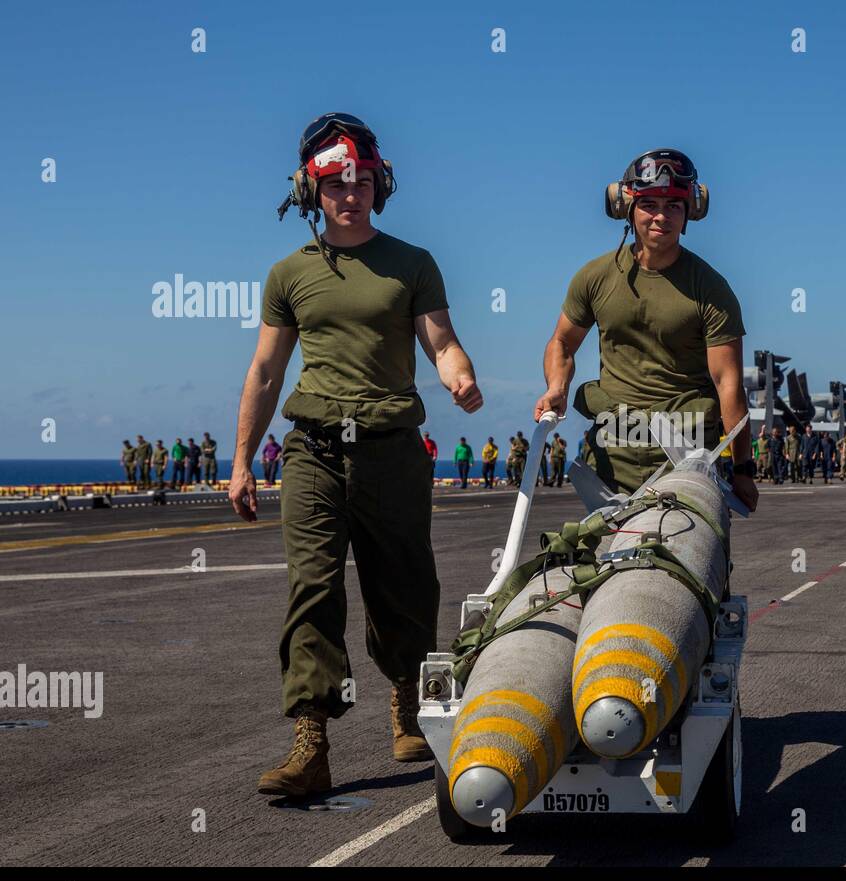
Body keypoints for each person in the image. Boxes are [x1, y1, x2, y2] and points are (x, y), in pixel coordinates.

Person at [232, 112, 483, 798]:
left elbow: (441, 339)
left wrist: (458, 372)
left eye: (363, 181)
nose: (351, 193)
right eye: (337, 183)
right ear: (312, 191)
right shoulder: (290, 274)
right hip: (312, 451)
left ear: (380, 184)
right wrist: (242, 460)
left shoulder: (412, 264)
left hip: (392, 450)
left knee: (403, 586)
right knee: (313, 590)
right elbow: (264, 371)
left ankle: (406, 699)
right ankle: (310, 744)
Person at [533, 148, 758, 508]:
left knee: (683, 558)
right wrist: (556, 388)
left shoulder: (712, 289)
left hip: (686, 456)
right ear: (626, 208)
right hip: (611, 456)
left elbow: (727, 383)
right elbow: (562, 342)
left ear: (690, 212)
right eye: (649, 203)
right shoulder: (594, 277)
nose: (660, 216)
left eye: (673, 206)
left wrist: (744, 468)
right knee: (604, 560)